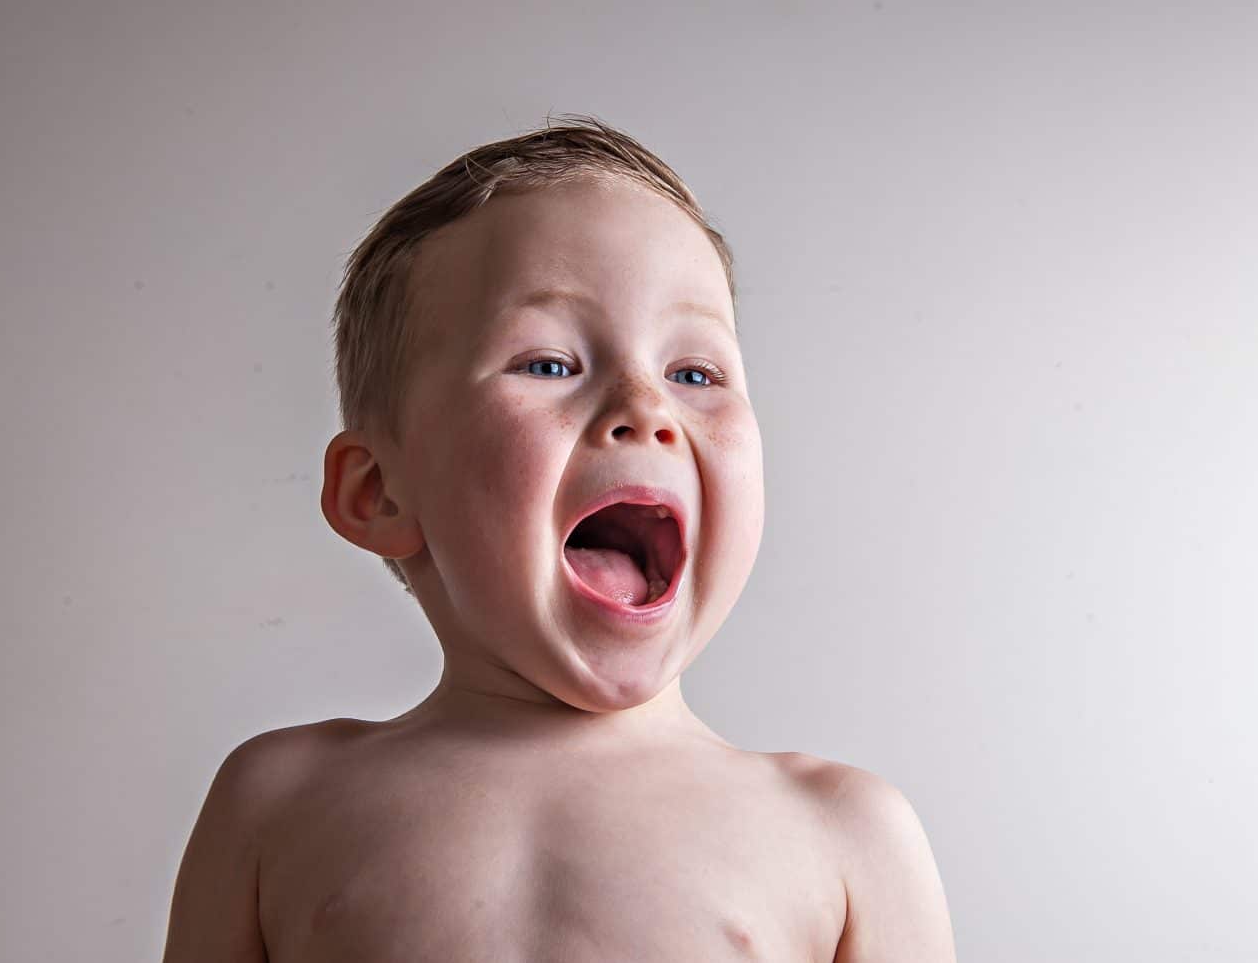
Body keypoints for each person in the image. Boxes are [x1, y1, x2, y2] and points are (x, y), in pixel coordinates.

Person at [161, 114, 958, 961]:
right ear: (380, 492)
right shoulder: (282, 804)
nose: (646, 410)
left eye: (695, 373)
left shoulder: (842, 835)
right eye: (549, 364)